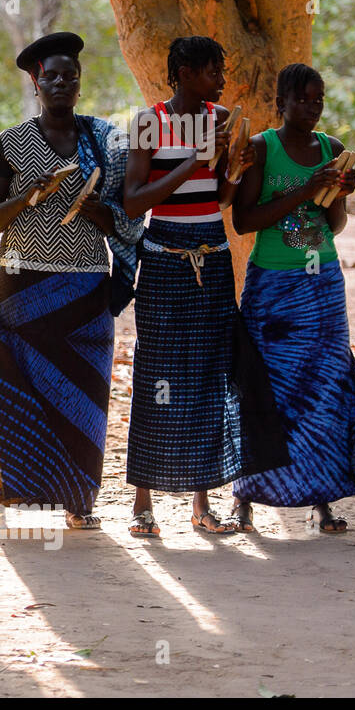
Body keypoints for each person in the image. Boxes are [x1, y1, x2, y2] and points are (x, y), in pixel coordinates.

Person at [0, 32, 143, 531]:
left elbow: (133, 213)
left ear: (80, 82)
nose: (63, 83)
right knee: (15, 391)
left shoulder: (106, 139)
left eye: (72, 75)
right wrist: (28, 198)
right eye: (53, 75)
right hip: (21, 290)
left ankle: (76, 501)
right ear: (35, 81)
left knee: (83, 395)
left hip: (85, 290)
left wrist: (102, 214)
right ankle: (6, 500)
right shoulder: (11, 143)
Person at [121, 36, 257, 536]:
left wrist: (234, 164)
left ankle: (201, 505)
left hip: (213, 258)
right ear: (182, 71)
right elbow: (135, 202)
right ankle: (143, 503)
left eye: (221, 70)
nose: (221, 80)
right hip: (164, 262)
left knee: (208, 374)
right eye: (211, 70)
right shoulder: (147, 123)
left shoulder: (221, 118)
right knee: (157, 374)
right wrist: (194, 161)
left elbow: (220, 197)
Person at [230, 63, 355, 533]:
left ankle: (321, 498)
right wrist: (305, 189)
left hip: (322, 284)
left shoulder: (331, 149)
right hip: (273, 288)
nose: (312, 107)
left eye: (318, 100)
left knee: (324, 389)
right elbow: (244, 220)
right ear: (281, 103)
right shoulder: (263, 149)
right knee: (264, 387)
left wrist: (337, 193)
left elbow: (334, 226)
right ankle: (245, 497)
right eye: (303, 99)